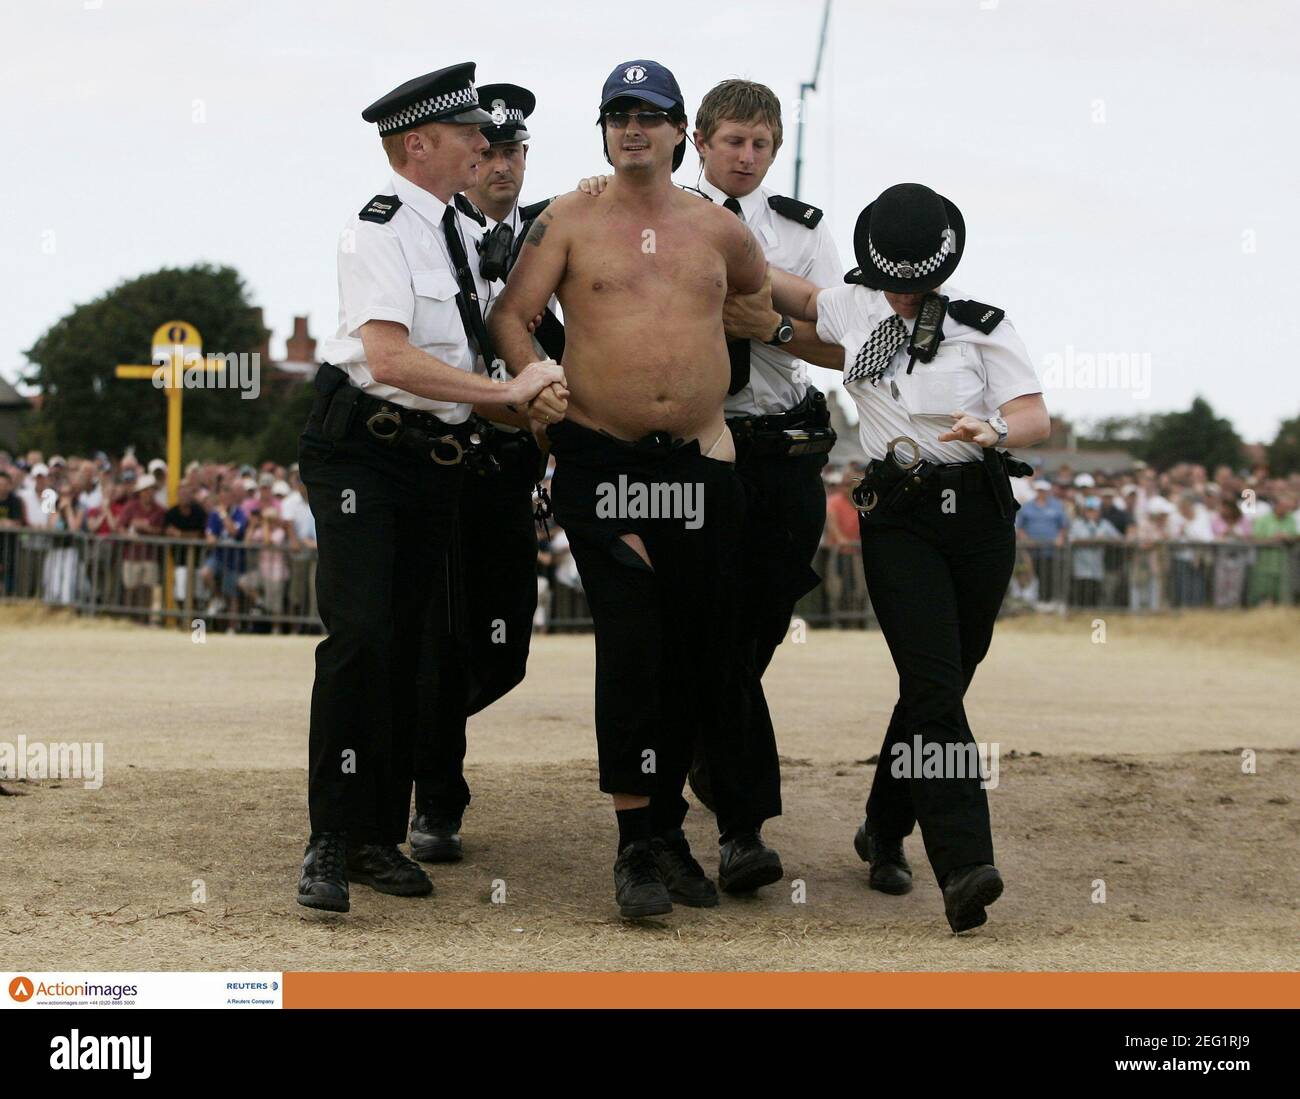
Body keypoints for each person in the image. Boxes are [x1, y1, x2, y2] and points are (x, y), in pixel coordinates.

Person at [489, 59, 782, 918]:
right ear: (605, 131)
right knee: (631, 642)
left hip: (699, 464)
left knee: (698, 652)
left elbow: (759, 308)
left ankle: (670, 831)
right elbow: (511, 313)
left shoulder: (719, 231)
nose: (632, 128)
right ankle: (633, 851)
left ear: (677, 130)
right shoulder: (566, 219)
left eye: (649, 115)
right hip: (602, 458)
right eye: (618, 114)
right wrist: (532, 382)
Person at [295, 62, 565, 914]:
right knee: (362, 638)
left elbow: (482, 343)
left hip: (430, 459)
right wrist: (506, 396)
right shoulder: (378, 229)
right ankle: (331, 839)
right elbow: (389, 357)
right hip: (364, 453)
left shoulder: (454, 230)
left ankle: (377, 834)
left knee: (408, 644)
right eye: (468, 135)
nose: (486, 145)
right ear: (421, 144)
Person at [763, 182, 1051, 932]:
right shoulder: (854, 305)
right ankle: (962, 862)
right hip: (899, 516)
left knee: (939, 687)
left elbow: (1032, 414)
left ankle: (882, 827)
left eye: (912, 282)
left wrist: (995, 433)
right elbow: (772, 286)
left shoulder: (981, 326)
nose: (899, 296)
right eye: (890, 280)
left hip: (980, 516)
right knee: (932, 686)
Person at [409, 79, 554, 864]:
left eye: (514, 151)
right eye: (489, 150)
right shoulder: (428, 229)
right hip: (442, 457)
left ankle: (409, 730)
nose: (501, 164)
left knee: (504, 650)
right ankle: (436, 795)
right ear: (468, 156)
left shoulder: (552, 233)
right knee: (439, 636)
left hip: (511, 464)